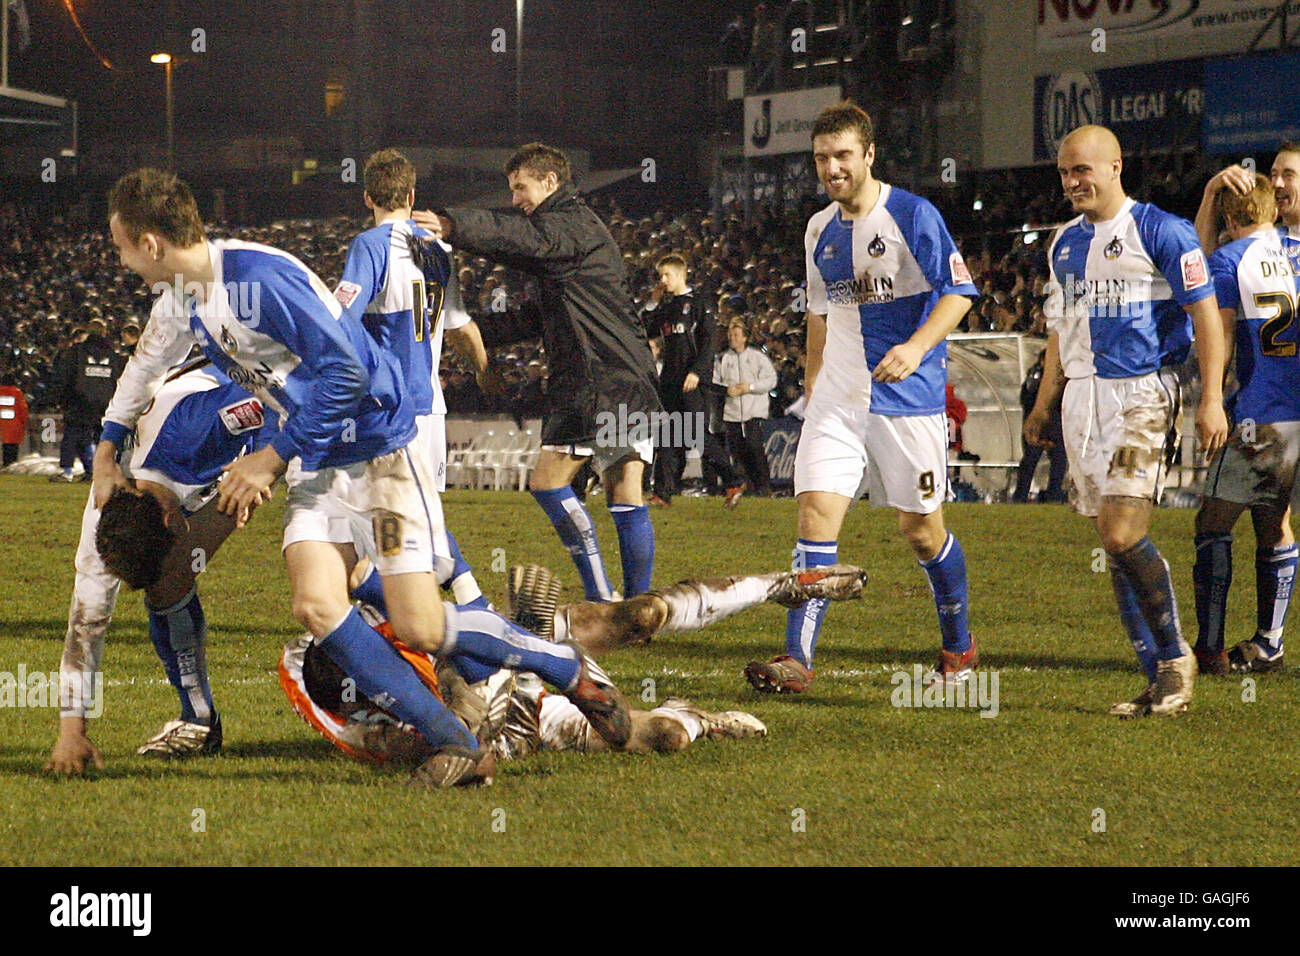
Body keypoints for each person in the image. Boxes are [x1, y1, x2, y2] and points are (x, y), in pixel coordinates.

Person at [95, 168, 631, 788]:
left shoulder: (257, 278)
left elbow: (347, 374)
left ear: (151, 244)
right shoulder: (194, 297)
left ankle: (563, 666)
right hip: (319, 463)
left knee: (420, 626)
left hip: (378, 453)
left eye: (121, 246)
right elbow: (166, 367)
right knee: (316, 603)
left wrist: (268, 458)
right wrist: (111, 442)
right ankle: (456, 743)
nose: (122, 260)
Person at [745, 101, 979, 695]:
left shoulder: (912, 214)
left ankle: (960, 649)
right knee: (815, 516)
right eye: (823, 157)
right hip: (839, 403)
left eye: (843, 155)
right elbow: (820, 313)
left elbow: (958, 292)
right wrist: (813, 382)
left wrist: (917, 346)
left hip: (908, 401)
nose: (832, 167)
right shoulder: (818, 228)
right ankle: (797, 660)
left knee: (921, 532)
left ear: (869, 155)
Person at [1024, 125, 1228, 719]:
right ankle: (1157, 681)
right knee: (1111, 543)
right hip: (1082, 400)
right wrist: (1044, 401)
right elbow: (1063, 327)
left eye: (1082, 170)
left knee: (1119, 531)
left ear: (1116, 167)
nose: (1071, 182)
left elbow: (1207, 317)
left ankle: (1174, 660)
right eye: (1064, 172)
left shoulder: (1164, 231)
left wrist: (1210, 398)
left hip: (1143, 393)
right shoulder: (1062, 243)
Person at [280, 561, 867, 767]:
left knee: (639, 617)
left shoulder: (351, 611)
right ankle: (699, 717)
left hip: (490, 645)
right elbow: (464, 743)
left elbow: (446, 595)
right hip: (508, 716)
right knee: (661, 737)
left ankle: (780, 585)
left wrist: (486, 610)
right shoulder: (353, 721)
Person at [415, 143, 661, 603]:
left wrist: (454, 225)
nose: (515, 200)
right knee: (625, 490)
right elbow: (540, 315)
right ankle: (638, 609)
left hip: (595, 378)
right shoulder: (578, 236)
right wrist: (473, 329)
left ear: (550, 182)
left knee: (548, 482)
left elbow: (524, 240)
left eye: (520, 187)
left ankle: (603, 598)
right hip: (629, 375)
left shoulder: (568, 226)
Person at [45, 366, 276, 773]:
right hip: (204, 475)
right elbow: (86, 625)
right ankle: (199, 721)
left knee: (333, 558)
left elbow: (280, 391)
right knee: (167, 583)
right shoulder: (104, 513)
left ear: (172, 522)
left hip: (303, 408)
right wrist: (70, 731)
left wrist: (267, 461)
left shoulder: (196, 431)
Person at [333, 148, 490, 617]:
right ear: (412, 195)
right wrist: (483, 369)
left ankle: (465, 608)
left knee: (371, 516)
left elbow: (341, 319)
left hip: (388, 409)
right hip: (431, 406)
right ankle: (458, 604)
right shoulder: (439, 249)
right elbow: (461, 326)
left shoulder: (371, 245)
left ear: (367, 198)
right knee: (415, 520)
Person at [1190, 175, 1300, 675]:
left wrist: (1211, 398)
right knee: (1271, 522)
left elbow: (1221, 332)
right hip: (1292, 412)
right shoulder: (1292, 257)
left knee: (1212, 524)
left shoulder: (1227, 260)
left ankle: (1209, 650)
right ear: (1271, 214)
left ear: (1230, 220)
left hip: (1261, 413)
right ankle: (1269, 642)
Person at [641, 253, 715, 506]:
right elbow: (645, 330)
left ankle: (733, 479)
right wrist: (652, 303)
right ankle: (663, 493)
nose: (662, 280)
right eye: (660, 276)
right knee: (667, 438)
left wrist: (697, 372)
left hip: (692, 381)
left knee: (696, 434)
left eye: (667, 275)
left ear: (681, 275)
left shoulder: (698, 303)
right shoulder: (667, 307)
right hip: (670, 382)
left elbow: (709, 343)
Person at [50, 318, 124, 482]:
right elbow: (119, 380)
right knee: (104, 440)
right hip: (106, 403)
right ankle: (100, 473)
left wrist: (59, 399)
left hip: (79, 402)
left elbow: (64, 377)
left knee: (72, 436)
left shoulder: (76, 352)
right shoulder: (113, 355)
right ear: (105, 332)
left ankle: (68, 472)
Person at [714, 319, 777, 506]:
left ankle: (763, 485)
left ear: (745, 338)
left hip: (753, 411)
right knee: (737, 450)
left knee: (754, 446)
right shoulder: (724, 359)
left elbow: (771, 380)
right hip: (732, 413)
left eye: (736, 335)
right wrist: (727, 390)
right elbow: (716, 381)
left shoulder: (757, 358)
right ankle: (747, 484)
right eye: (730, 335)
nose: (732, 339)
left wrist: (750, 387)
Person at [1012, 350, 1068, 503]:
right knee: (1049, 460)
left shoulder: (1033, 374)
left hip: (1045, 420)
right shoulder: (1041, 376)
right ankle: (1050, 495)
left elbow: (1025, 396)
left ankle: (1025, 495)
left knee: (1045, 460)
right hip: (1050, 421)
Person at [0, 374, 28, 467]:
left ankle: (5, 463)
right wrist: (24, 420)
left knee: (5, 445)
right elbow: (22, 408)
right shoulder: (16, 392)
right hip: (15, 423)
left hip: (3, 423)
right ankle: (12, 464)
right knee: (13, 446)